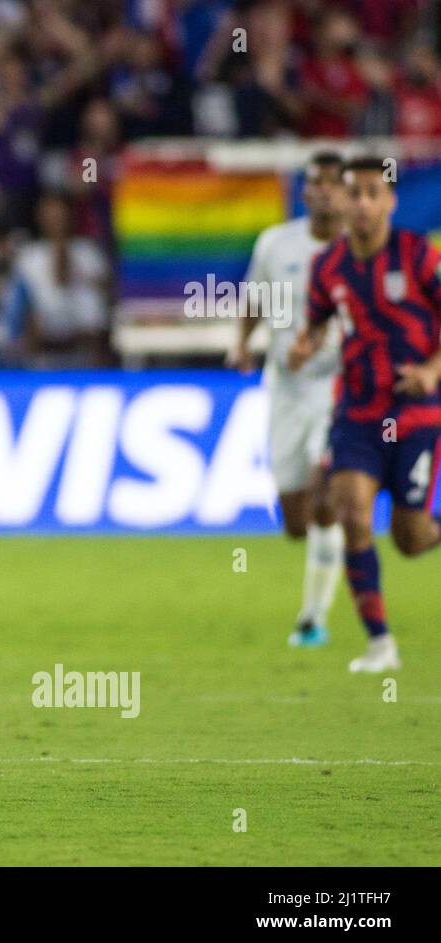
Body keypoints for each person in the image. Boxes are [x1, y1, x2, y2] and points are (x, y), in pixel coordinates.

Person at [291, 156, 441, 672]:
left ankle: (425, 531)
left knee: (410, 538)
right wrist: (304, 346)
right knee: (352, 512)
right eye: (353, 193)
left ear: (390, 202)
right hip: (357, 411)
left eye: (371, 193)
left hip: (417, 413)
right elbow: (316, 322)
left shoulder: (419, 256)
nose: (360, 203)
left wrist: (431, 370)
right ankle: (380, 644)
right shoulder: (328, 266)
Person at [229, 151, 347, 648]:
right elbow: (254, 298)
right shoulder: (277, 244)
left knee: (326, 498)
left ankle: (312, 618)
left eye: (329, 183)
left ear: (345, 192)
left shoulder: (360, 250)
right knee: (295, 519)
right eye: (312, 183)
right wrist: (242, 344)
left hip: (341, 386)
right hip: (285, 386)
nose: (319, 191)